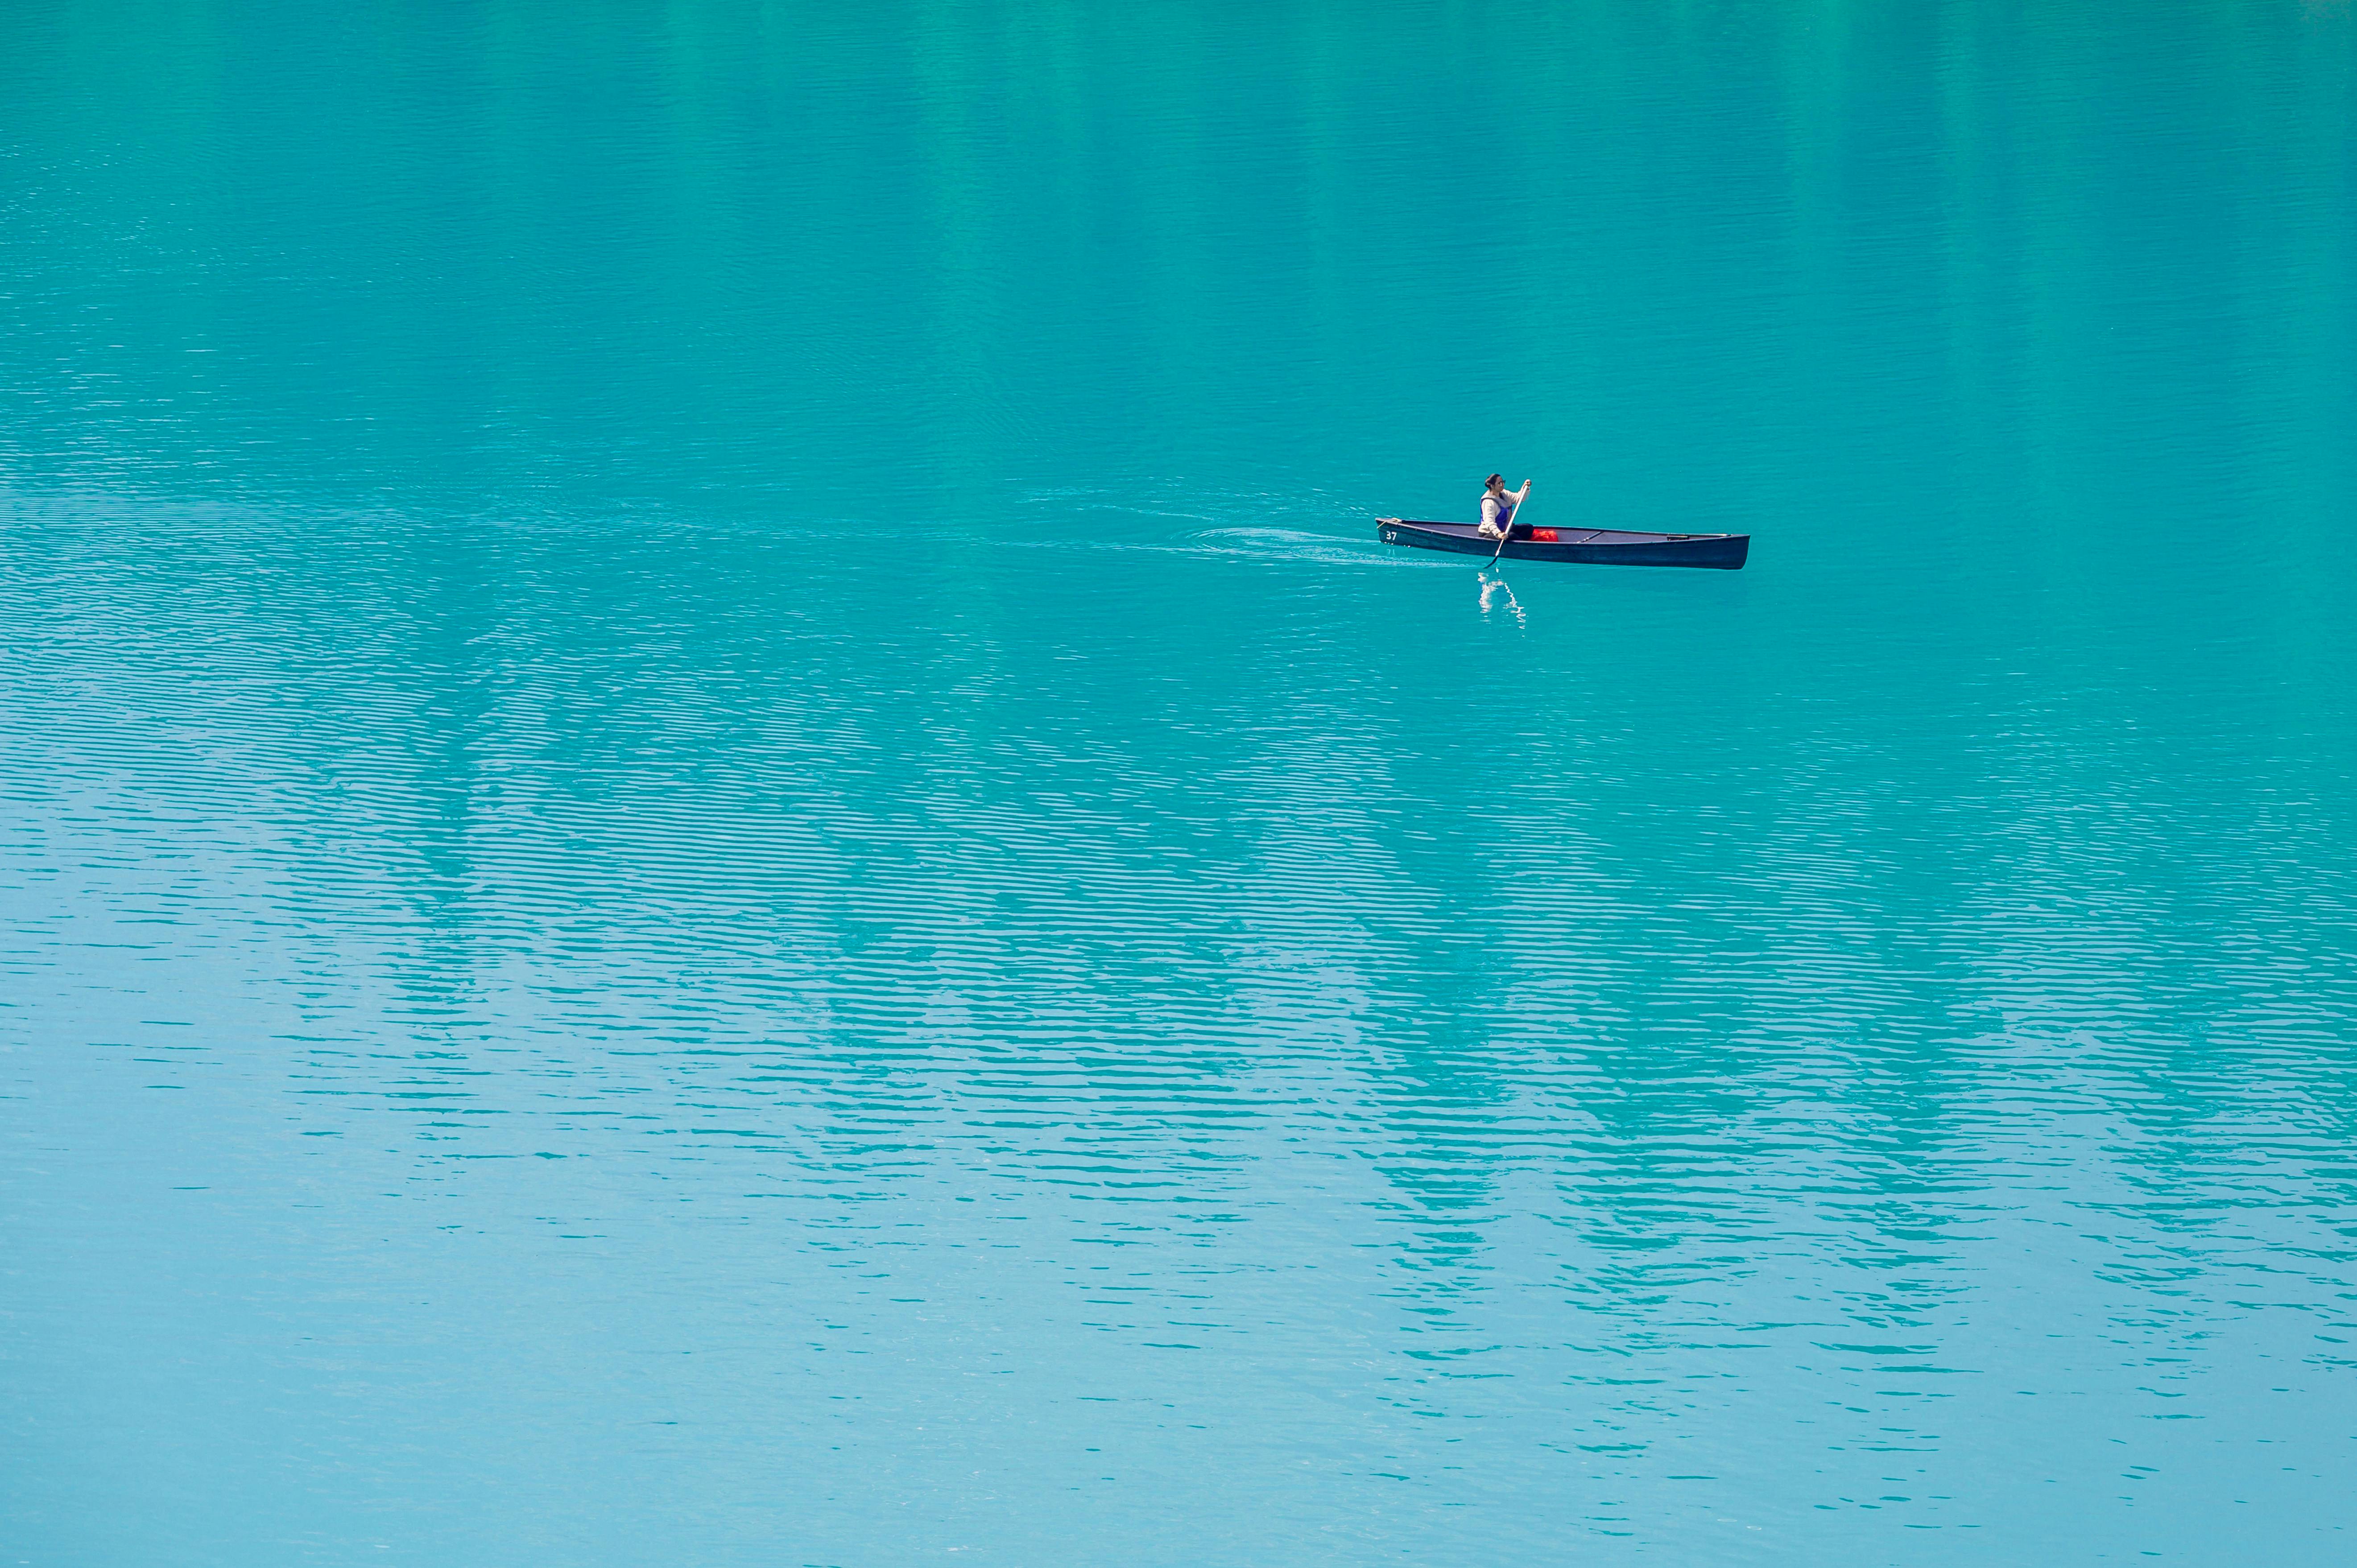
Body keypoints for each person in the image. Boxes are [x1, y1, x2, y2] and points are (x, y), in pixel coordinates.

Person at [1478, 474, 1531, 539]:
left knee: (1528, 528)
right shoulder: (1488, 503)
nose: (1502, 485)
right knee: (1512, 536)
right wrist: (1498, 534)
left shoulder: (1504, 493)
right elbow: (1489, 522)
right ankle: (1521, 545)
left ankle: (1521, 543)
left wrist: (1525, 487)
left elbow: (1519, 498)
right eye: (1499, 483)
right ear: (1492, 486)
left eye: (1503, 482)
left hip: (1505, 529)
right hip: (1490, 532)